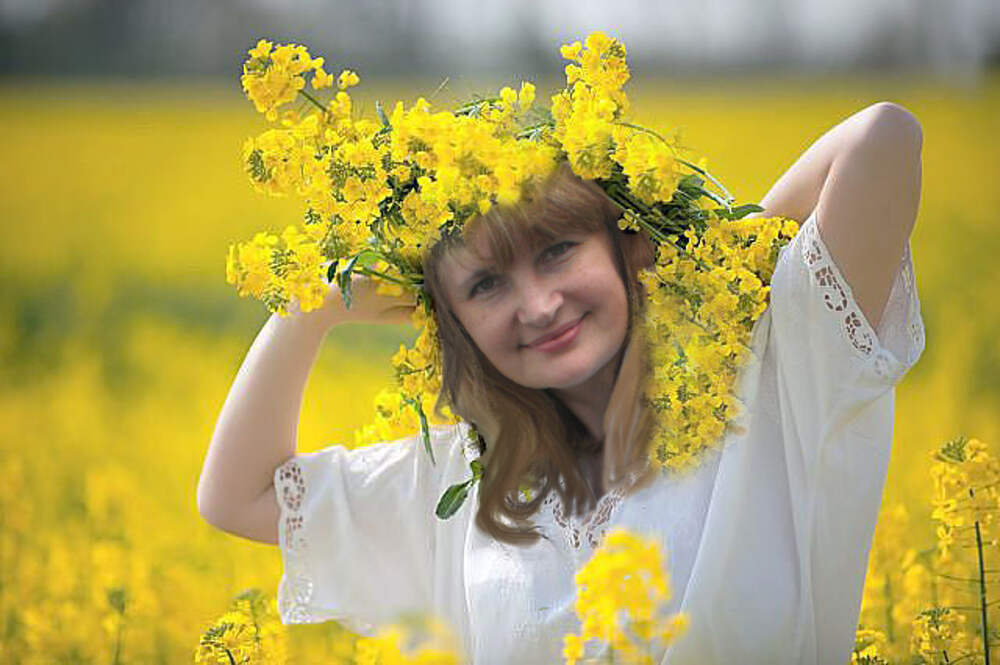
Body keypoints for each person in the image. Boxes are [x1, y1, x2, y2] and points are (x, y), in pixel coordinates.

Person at [197, 101, 926, 664]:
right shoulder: (467, 481)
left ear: (627, 248)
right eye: (486, 285)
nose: (539, 305)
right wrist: (312, 308)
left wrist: (709, 265)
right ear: (454, 323)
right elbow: (238, 497)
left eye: (558, 251)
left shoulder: (766, 387)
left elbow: (881, 141)